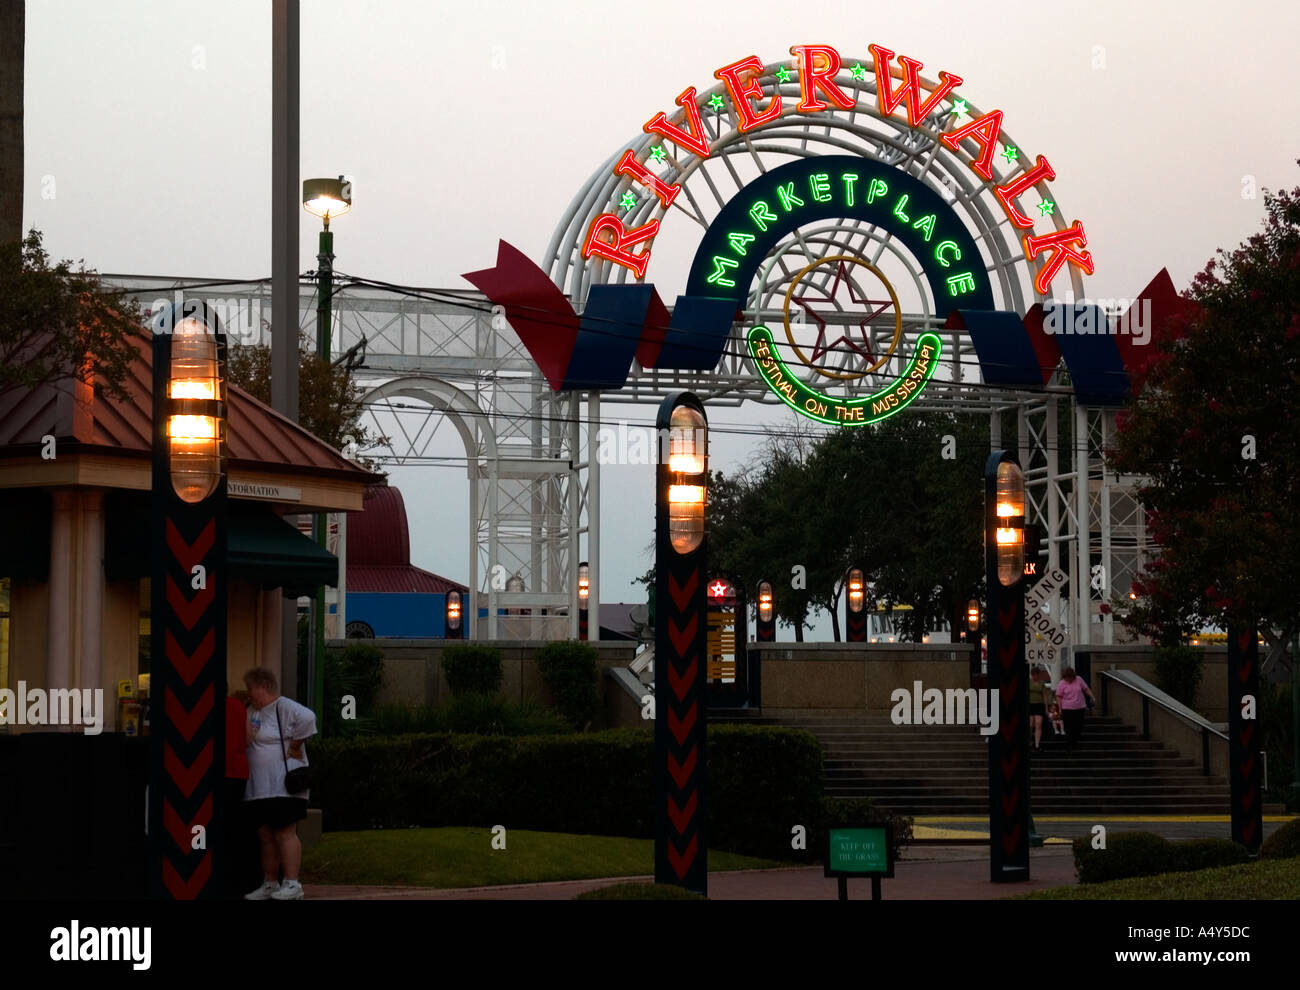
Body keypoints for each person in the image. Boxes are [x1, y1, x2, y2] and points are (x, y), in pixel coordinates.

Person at [241, 667, 317, 901]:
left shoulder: (284, 707)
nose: (248, 694)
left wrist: (294, 746)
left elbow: (308, 718)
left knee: (285, 833)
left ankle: (293, 883)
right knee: (266, 836)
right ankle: (270, 882)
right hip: (258, 788)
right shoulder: (251, 710)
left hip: (284, 786)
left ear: (262, 687)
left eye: (250, 689)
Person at [223, 690, 257, 898]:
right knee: (233, 825)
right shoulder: (237, 707)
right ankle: (234, 879)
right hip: (236, 772)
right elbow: (246, 739)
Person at [1054, 666, 1095, 751]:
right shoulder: (1062, 683)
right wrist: (1060, 708)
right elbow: (1058, 696)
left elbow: (1086, 689)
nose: (1069, 679)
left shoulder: (1079, 679)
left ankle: (1074, 741)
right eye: (1067, 678)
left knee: (1079, 726)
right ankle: (1070, 743)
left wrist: (1092, 697)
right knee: (1069, 726)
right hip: (1067, 708)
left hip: (1080, 707)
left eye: (1070, 677)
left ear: (1073, 675)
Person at [1028, 665, 1047, 750]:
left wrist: (1046, 707)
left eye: (1036, 674)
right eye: (1033, 674)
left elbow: (1044, 696)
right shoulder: (1028, 682)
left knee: (1038, 724)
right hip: (1030, 705)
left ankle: (1037, 744)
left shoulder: (1041, 683)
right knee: (1030, 725)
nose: (1035, 676)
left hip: (1039, 705)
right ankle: (1029, 742)